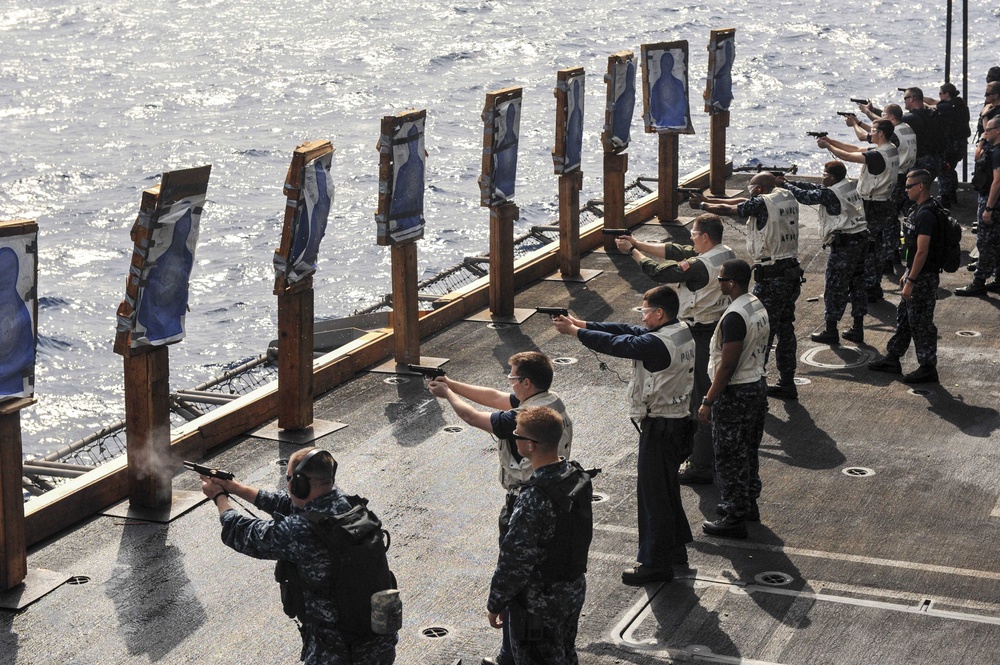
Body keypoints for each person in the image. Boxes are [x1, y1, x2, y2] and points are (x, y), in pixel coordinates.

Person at [426, 351, 571, 665]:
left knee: (521, 582)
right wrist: (450, 382)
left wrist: (446, 394)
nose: (510, 384)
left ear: (527, 382)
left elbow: (473, 417)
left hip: (526, 499)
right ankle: (507, 655)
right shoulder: (549, 402)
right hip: (553, 493)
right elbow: (494, 397)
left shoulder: (522, 421)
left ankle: (513, 655)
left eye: (513, 378)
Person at [551, 285, 694, 585]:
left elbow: (620, 344)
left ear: (659, 313)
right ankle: (675, 548)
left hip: (660, 427)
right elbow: (625, 330)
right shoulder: (679, 330)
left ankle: (655, 564)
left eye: (645, 312)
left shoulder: (655, 344)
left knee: (652, 496)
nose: (641, 318)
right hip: (677, 423)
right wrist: (583, 324)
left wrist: (575, 334)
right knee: (666, 490)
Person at [200, 447, 398, 665]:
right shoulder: (347, 504)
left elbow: (244, 534)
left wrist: (219, 497)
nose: (288, 485)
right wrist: (234, 487)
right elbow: (287, 504)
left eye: (290, 479)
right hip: (378, 642)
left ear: (299, 484)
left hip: (338, 653)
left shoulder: (302, 531)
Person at [614, 213, 735, 485]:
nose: (690, 238)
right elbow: (676, 251)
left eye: (693, 234)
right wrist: (638, 241)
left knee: (700, 401)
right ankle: (704, 457)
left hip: (700, 334)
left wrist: (632, 251)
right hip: (714, 327)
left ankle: (701, 466)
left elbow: (660, 272)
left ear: (704, 237)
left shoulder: (699, 265)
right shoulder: (723, 252)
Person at [486, 406, 592, 665]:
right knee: (566, 654)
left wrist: (496, 602)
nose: (514, 436)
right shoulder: (575, 476)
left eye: (517, 434)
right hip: (572, 588)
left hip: (539, 603)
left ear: (530, 446)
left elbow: (514, 559)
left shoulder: (534, 497)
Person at [692, 172, 801, 400]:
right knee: (785, 329)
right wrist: (709, 201)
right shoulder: (784, 195)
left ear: (759, 189)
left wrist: (702, 205)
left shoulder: (762, 203)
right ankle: (787, 381)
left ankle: (757, 386)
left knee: (762, 333)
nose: (748, 191)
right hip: (790, 275)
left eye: (751, 187)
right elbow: (742, 202)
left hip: (771, 278)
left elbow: (734, 209)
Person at [697, 259, 769, 539]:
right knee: (749, 450)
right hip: (756, 385)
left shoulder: (735, 316)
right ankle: (749, 502)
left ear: (732, 283)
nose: (718, 283)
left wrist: (708, 400)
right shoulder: (756, 305)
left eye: (721, 279)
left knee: (729, 455)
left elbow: (727, 365)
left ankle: (733, 515)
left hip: (736, 392)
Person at [779, 161, 870, 344]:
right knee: (857, 285)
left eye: (825, 174)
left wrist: (784, 185)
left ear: (833, 177)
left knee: (834, 287)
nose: (822, 177)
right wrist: (791, 181)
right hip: (861, 242)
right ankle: (857, 329)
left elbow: (806, 197)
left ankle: (831, 330)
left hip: (844, 246)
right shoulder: (847, 186)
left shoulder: (831, 193)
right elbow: (815, 188)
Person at [868, 170, 944, 384]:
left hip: (923, 277)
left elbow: (922, 251)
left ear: (921, 187)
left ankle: (928, 367)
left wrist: (911, 280)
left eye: (909, 186)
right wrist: (908, 272)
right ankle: (893, 357)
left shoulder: (927, 214)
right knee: (904, 318)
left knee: (921, 323)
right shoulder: (919, 209)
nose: (906, 189)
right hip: (916, 273)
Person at [818, 119, 900, 301]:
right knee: (876, 246)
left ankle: (869, 288)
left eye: (873, 130)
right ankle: (873, 285)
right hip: (883, 202)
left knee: (868, 247)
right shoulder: (890, 149)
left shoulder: (879, 155)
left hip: (872, 204)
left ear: (881, 133)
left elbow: (848, 157)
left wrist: (828, 148)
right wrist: (830, 141)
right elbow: (853, 149)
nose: (870, 133)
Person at [852, 103, 916, 256]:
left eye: (884, 116)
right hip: (906, 175)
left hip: (895, 179)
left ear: (892, 118)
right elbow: (878, 130)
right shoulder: (906, 128)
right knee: (905, 217)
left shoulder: (893, 136)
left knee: (889, 221)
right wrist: (866, 115)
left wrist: (855, 123)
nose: (882, 118)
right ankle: (903, 248)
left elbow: (864, 136)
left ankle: (889, 254)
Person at [956, 116, 1000, 296]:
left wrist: (988, 209)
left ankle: (979, 281)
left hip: (992, 202)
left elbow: (997, 181)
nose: (985, 133)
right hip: (991, 200)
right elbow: (978, 156)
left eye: (988, 130)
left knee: (985, 242)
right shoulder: (993, 149)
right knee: (996, 242)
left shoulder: (997, 152)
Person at [926, 83, 971, 206]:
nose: (939, 96)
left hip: (952, 144)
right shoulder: (959, 104)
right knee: (950, 168)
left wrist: (919, 102)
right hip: (961, 144)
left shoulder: (946, 107)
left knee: (944, 169)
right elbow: (932, 101)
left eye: (941, 93)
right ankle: (952, 194)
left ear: (946, 94)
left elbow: (930, 107)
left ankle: (945, 197)